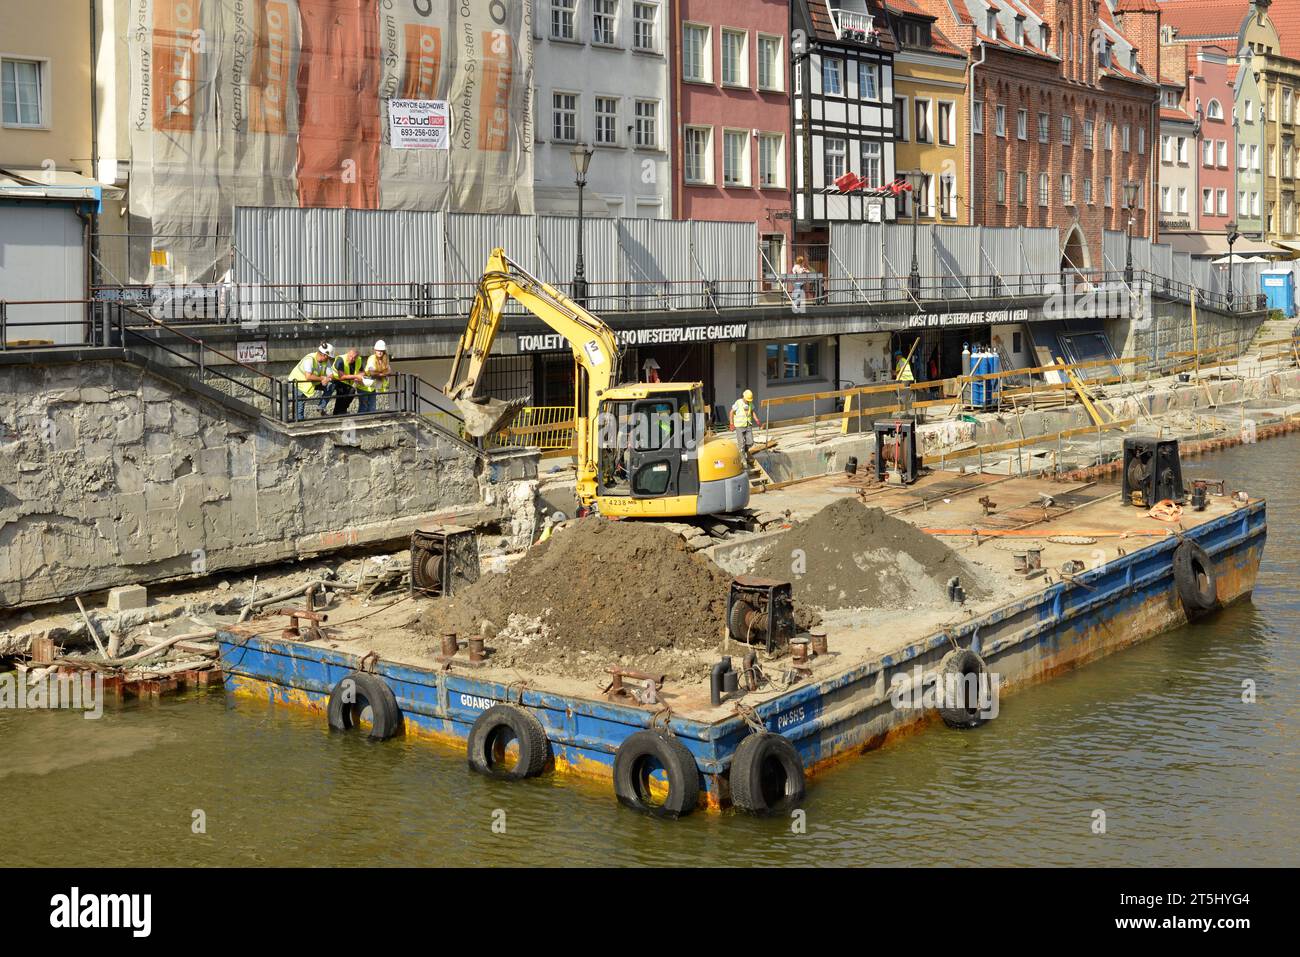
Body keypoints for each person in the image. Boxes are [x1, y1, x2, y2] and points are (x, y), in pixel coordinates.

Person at [288, 342, 335, 421]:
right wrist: (322, 379)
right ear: (325, 355)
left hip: (312, 382)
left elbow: (331, 375)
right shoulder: (309, 359)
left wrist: (327, 379)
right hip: (299, 383)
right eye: (329, 357)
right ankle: (300, 426)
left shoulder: (326, 361)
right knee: (300, 407)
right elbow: (308, 376)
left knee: (331, 385)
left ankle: (320, 407)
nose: (329, 359)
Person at [357, 340, 391, 414]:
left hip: (372, 386)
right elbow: (372, 373)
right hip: (364, 386)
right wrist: (382, 374)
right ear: (375, 350)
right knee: (364, 407)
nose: (380, 352)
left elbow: (389, 371)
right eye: (378, 350)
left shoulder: (384, 360)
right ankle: (361, 422)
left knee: (372, 408)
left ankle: (369, 423)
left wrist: (379, 374)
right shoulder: (372, 358)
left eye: (381, 351)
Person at [729, 388, 762, 463]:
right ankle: (743, 458)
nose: (748, 401)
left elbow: (752, 412)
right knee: (741, 444)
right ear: (744, 396)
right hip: (740, 426)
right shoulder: (738, 403)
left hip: (748, 425)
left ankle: (746, 452)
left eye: (749, 400)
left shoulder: (750, 403)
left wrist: (757, 420)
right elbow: (731, 412)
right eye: (747, 399)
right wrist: (731, 424)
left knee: (750, 442)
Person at [331, 346, 365, 415]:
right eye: (350, 356)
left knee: (351, 392)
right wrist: (356, 376)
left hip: (347, 382)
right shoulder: (340, 359)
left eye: (354, 357)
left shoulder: (358, 360)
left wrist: (361, 375)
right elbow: (341, 377)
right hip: (335, 380)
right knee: (343, 392)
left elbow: (362, 371)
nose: (352, 359)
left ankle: (341, 411)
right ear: (348, 353)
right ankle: (339, 412)